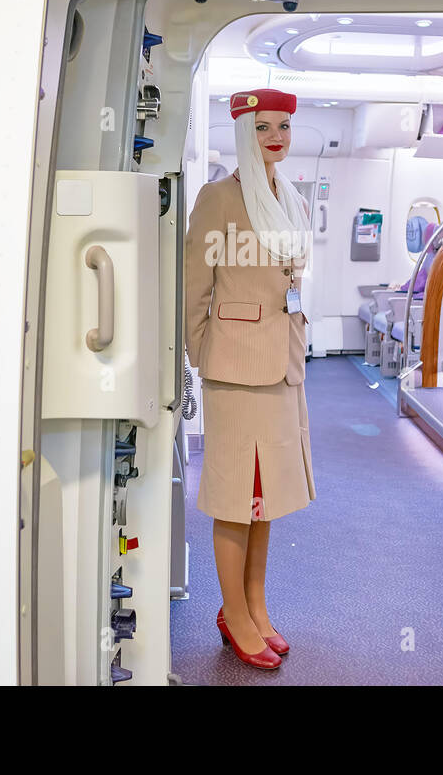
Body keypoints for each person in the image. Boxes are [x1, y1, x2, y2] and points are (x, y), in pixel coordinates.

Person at [183, 87, 315, 670]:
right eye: (264, 127)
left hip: (281, 364)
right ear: (242, 131)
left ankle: (256, 607)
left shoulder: (287, 196)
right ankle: (233, 614)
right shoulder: (217, 198)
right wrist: (202, 354)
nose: (277, 137)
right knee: (236, 496)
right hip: (235, 366)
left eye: (284, 126)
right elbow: (194, 288)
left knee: (267, 497)